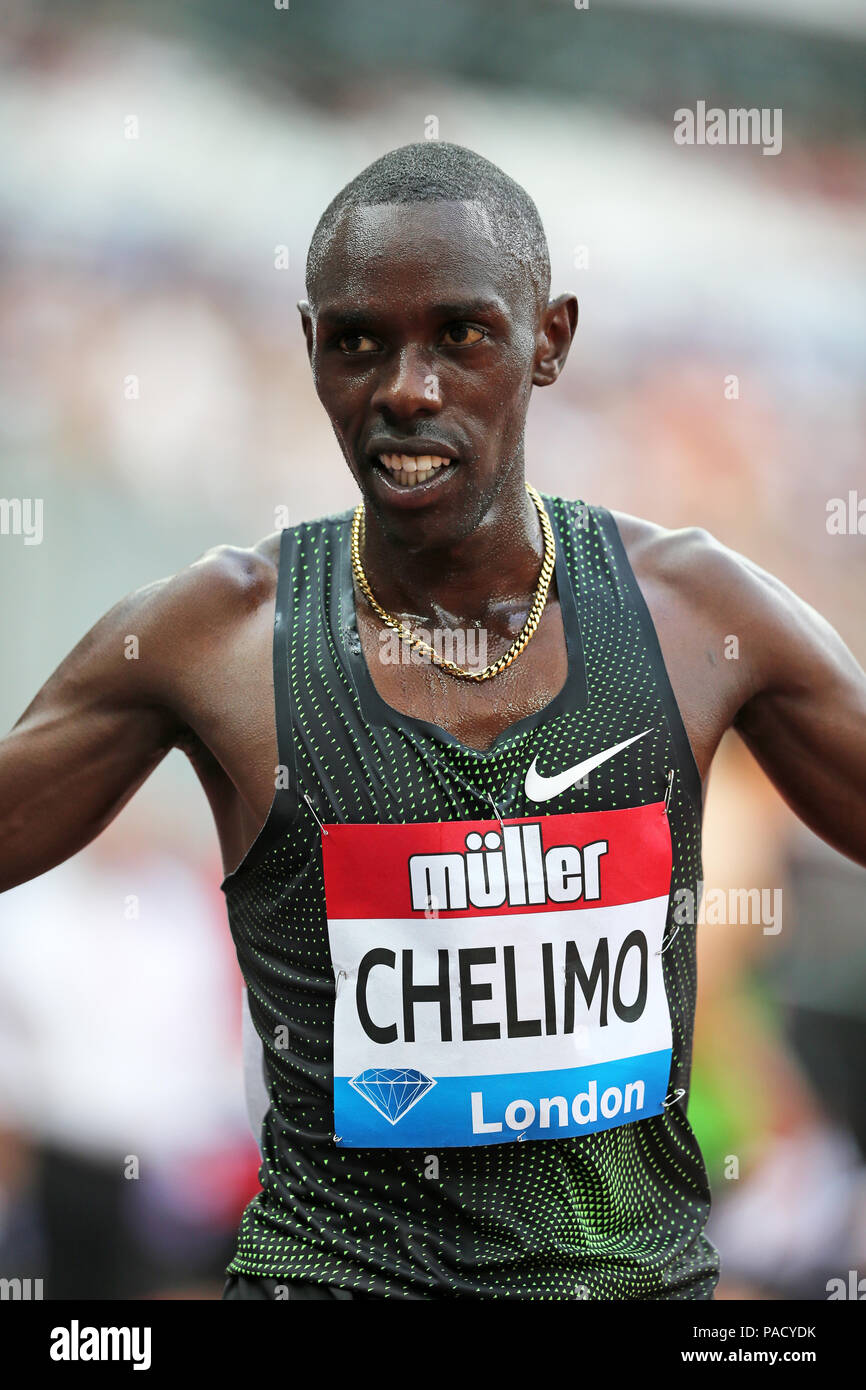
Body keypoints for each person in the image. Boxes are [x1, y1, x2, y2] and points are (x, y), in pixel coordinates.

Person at [2, 142, 864, 1301]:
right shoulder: (218, 638)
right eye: (359, 341)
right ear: (311, 348)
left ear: (549, 340)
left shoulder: (692, 615)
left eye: (461, 334)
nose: (407, 388)